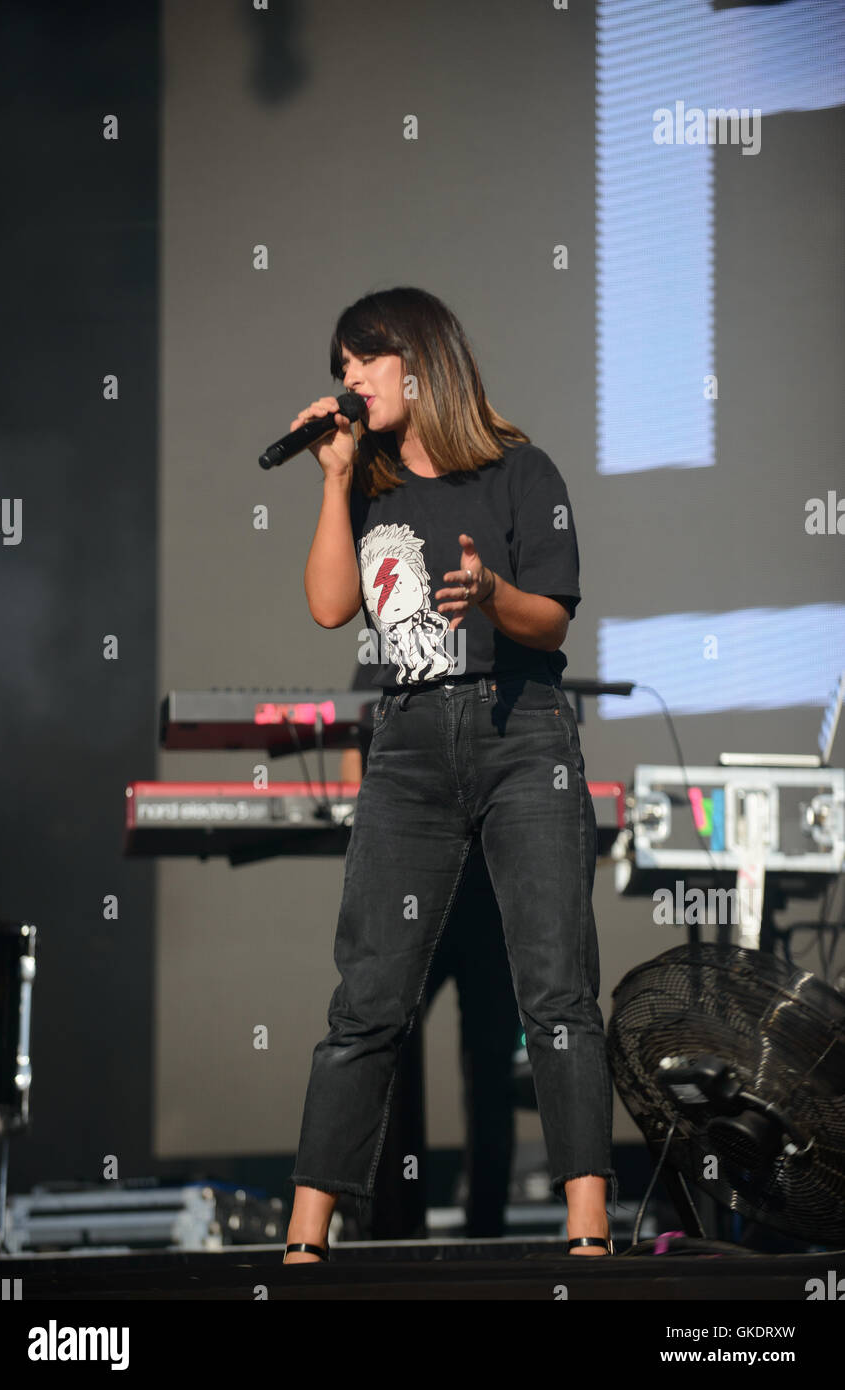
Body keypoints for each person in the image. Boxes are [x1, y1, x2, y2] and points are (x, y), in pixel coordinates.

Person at [283, 287, 616, 1263]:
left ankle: (589, 1229)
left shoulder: (523, 471)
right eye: (339, 366)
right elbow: (329, 607)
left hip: (524, 733)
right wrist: (333, 479)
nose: (346, 380)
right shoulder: (370, 480)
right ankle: (306, 1238)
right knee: (367, 997)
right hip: (413, 741)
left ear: (418, 364)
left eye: (361, 362)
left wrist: (495, 594)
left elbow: (552, 618)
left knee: (555, 986)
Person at [339, 660, 520, 1240]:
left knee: (492, 1063)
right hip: (412, 893)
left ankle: (487, 1223)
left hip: (485, 892)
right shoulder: (380, 654)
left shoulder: (493, 641)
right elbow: (354, 748)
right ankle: (393, 1223)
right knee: (390, 1047)